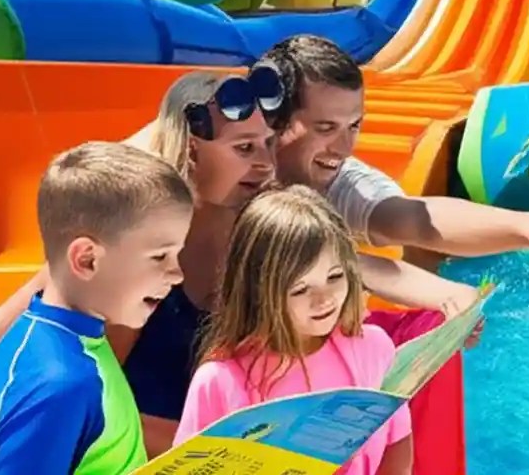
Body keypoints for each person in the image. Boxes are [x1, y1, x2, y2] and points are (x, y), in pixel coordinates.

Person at [0, 68, 474, 457]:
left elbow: (351, 264)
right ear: (189, 153)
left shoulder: (251, 224)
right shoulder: (133, 246)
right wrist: (202, 443)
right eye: (244, 147)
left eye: (270, 145)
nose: (266, 163)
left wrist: (449, 300)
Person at [256, 34, 529, 284]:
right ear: (273, 118)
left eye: (353, 126)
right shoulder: (216, 165)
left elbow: (417, 219)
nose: (344, 149)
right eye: (325, 129)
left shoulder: (337, 181)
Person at [0, 141, 192, 474]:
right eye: (160, 256)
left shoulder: (65, 340)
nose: (177, 274)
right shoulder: (61, 382)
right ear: (86, 259)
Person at [174, 185, 413, 475]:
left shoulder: (373, 347)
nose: (324, 299)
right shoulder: (221, 381)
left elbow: (397, 444)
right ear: (259, 291)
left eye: (335, 276)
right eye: (300, 289)